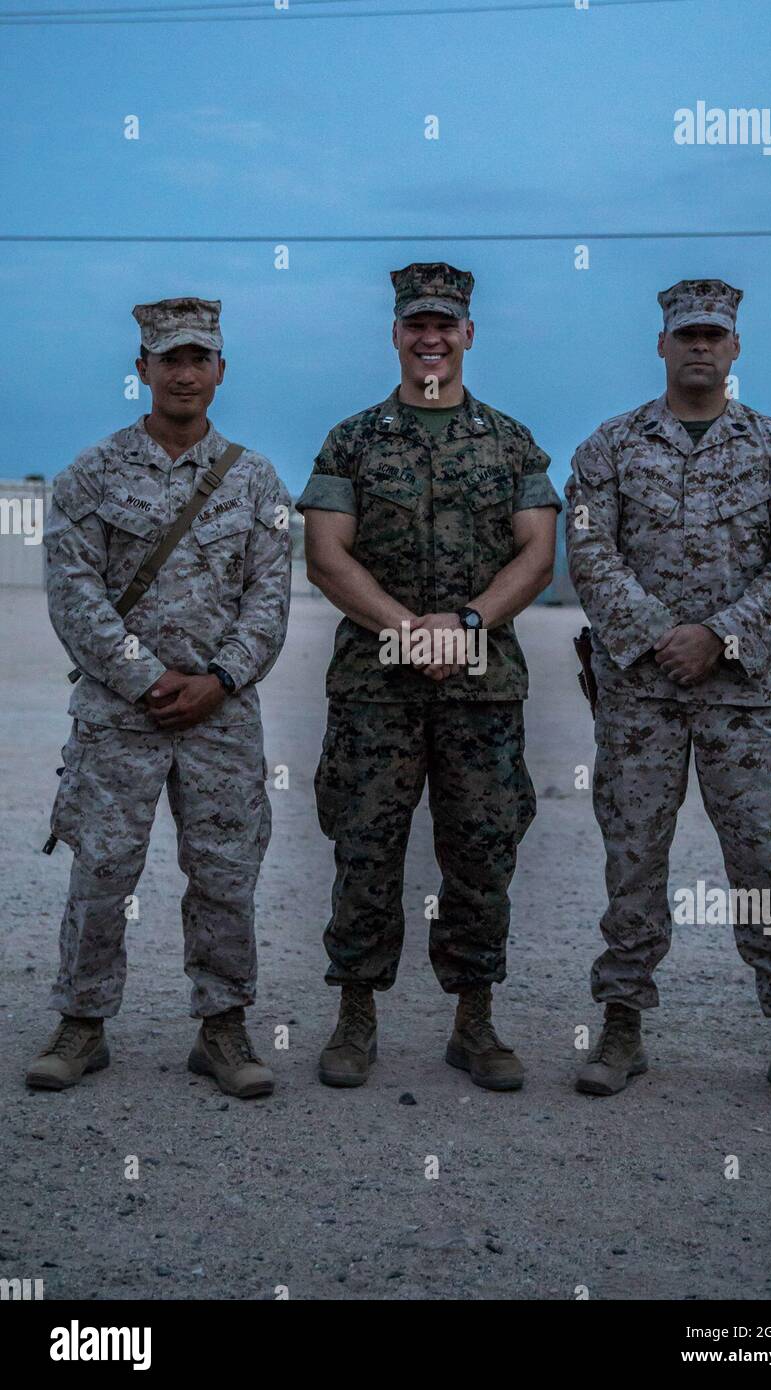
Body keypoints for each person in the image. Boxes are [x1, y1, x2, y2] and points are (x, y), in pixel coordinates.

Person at [565, 278, 771, 1114]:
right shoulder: (608, 447)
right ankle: (622, 1027)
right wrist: (658, 636)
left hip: (741, 699)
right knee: (633, 864)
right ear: (662, 345)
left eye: (714, 335)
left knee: (760, 865)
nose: (700, 347)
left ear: (736, 347)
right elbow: (590, 554)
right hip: (640, 699)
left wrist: (718, 636)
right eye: (686, 335)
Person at [296, 262, 560, 1091]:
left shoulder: (512, 441)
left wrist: (469, 624)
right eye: (417, 325)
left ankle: (475, 1024)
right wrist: (409, 630)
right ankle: (355, 1018)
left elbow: (539, 554)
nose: (431, 338)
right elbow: (325, 554)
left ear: (469, 335)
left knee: (481, 851)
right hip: (376, 685)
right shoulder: (352, 440)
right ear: (397, 336)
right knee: (365, 848)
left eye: (445, 325)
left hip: (481, 688)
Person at [27, 297, 291, 1100]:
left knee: (223, 874)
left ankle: (222, 1027)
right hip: (119, 714)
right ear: (141, 370)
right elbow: (73, 596)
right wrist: (146, 678)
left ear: (221, 371)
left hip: (222, 716)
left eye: (198, 358)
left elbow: (271, 598)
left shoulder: (256, 481)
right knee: (102, 871)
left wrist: (218, 680)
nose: (183, 372)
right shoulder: (91, 474)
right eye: (167, 358)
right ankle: (81, 1024)